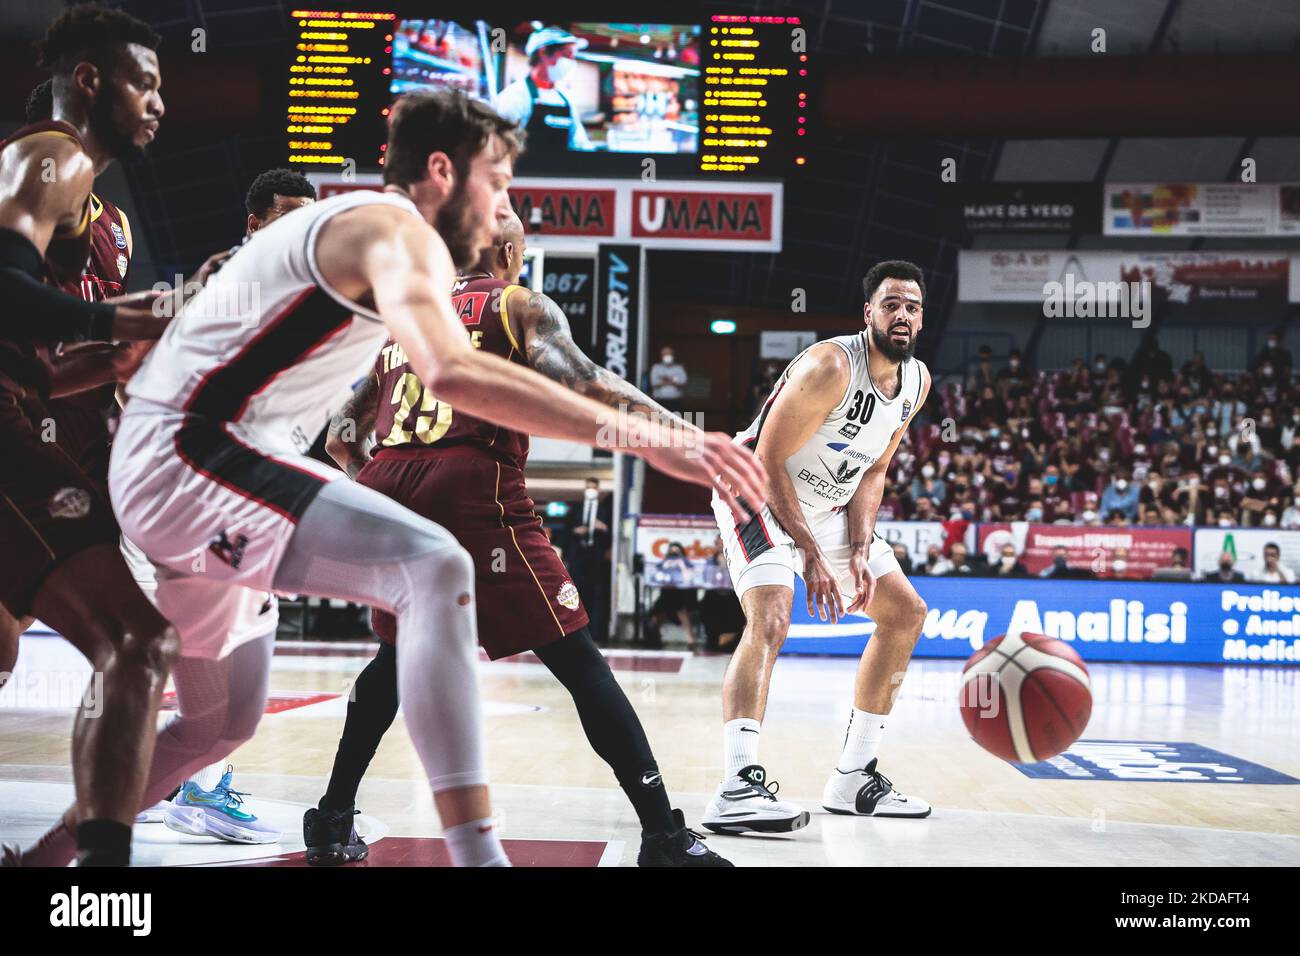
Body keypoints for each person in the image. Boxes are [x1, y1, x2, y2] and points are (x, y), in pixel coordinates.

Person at [319, 207, 734, 866]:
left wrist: (369, 478)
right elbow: (590, 383)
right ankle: (663, 835)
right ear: (508, 252)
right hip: (468, 482)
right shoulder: (516, 304)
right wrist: (681, 437)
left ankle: (333, 816)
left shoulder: (406, 315)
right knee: (578, 658)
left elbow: (342, 427)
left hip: (387, 480)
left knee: (397, 658)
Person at [0, 4, 182, 867]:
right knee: (139, 642)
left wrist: (134, 348)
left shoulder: (96, 205)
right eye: (144, 81)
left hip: (22, 410)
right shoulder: (50, 154)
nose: (158, 101)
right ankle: (102, 888)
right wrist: (125, 316)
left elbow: (37, 362)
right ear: (90, 80)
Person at [705, 260, 933, 834]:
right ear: (868, 313)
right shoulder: (832, 364)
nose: (902, 315)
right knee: (773, 617)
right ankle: (736, 786)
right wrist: (808, 554)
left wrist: (857, 547)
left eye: (912, 307)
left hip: (828, 505)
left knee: (905, 614)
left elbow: (875, 468)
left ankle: (854, 778)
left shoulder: (917, 383)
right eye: (891, 305)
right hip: (753, 486)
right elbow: (767, 458)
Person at [132, 169, 317, 844]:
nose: (296, 229)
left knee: (192, 654)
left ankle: (163, 782)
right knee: (190, 649)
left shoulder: (307, 296)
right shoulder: (228, 285)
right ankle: (196, 788)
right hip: (194, 491)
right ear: (254, 224)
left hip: (244, 491)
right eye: (284, 216)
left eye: (307, 218)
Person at [493, 26, 592, 152]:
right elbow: (502, 146)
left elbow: (579, 143)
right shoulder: (514, 96)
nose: (572, 62)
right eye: (567, 55)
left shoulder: (565, 100)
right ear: (543, 52)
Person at [566, 476, 613, 641]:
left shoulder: (605, 511)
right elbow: (566, 531)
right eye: (588, 488)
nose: (591, 491)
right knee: (577, 592)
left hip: (596, 555)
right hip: (579, 554)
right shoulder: (576, 509)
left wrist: (604, 528)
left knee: (596, 593)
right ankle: (575, 630)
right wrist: (575, 531)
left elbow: (612, 535)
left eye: (594, 488)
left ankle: (595, 631)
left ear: (598, 490)